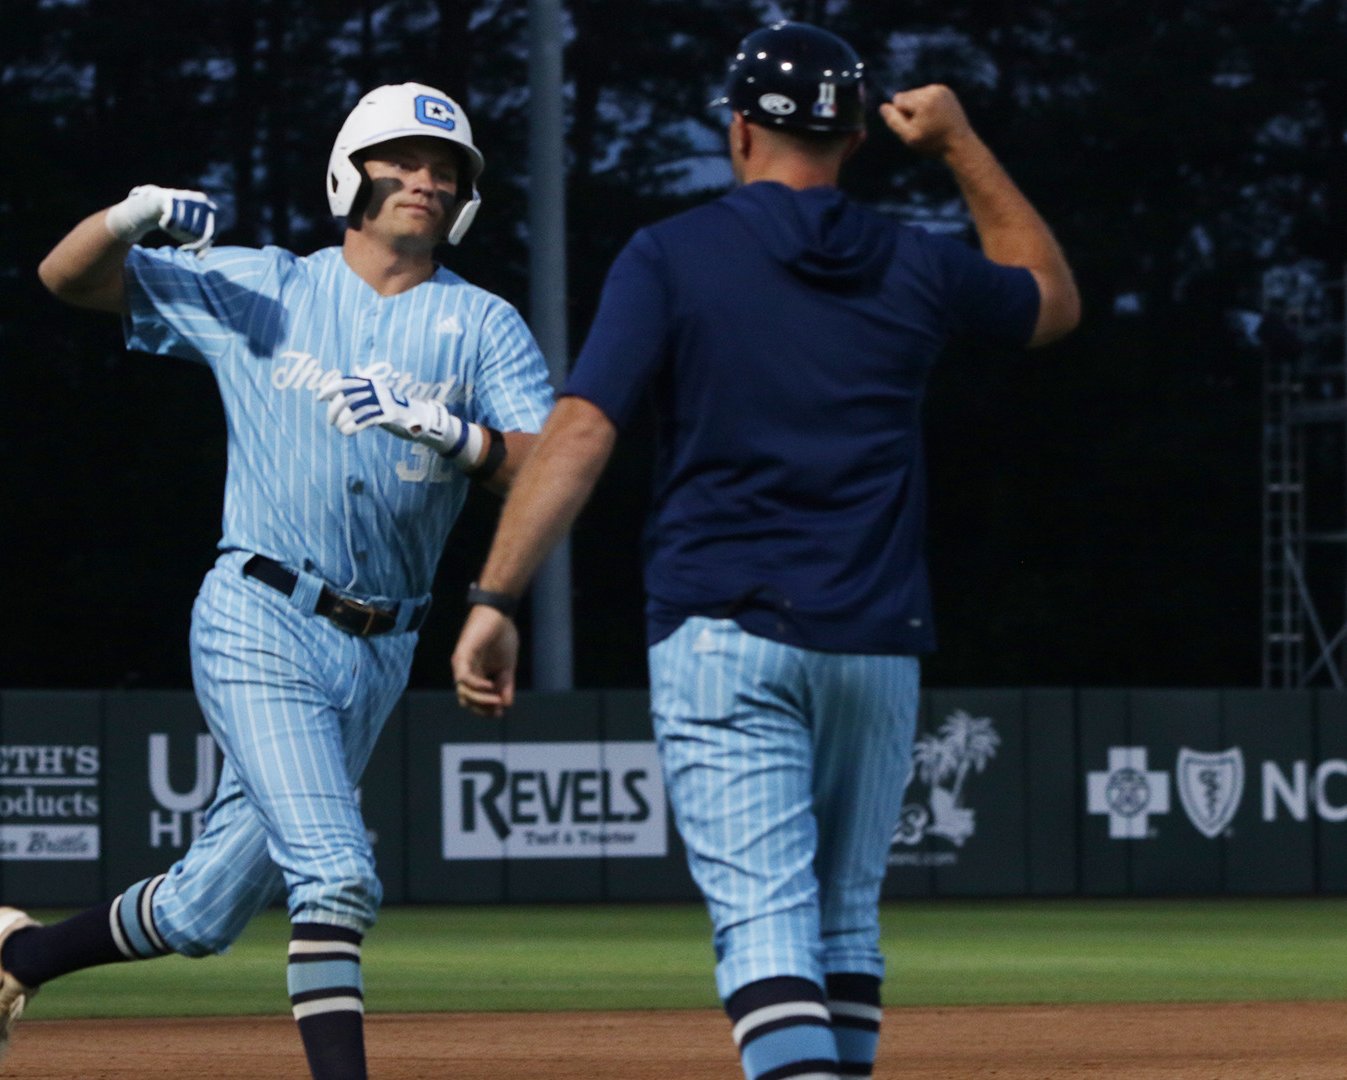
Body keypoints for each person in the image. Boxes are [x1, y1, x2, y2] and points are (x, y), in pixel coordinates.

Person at [451, 22, 1078, 1080]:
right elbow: (1050, 301)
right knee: (842, 933)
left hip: (724, 629)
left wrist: (497, 593)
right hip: (876, 646)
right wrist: (962, 143)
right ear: (855, 139)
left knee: (769, 934)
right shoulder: (912, 262)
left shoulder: (673, 254)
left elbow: (584, 430)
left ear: (740, 131)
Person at [0, 83, 553, 1080]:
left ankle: (17, 958)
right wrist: (126, 218)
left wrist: (457, 432)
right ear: (351, 172)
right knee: (339, 877)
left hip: (383, 647)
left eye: (448, 173)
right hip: (262, 612)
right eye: (403, 162)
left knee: (201, 911)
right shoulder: (265, 286)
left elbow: (544, 464)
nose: (428, 182)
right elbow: (67, 278)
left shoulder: (482, 326)